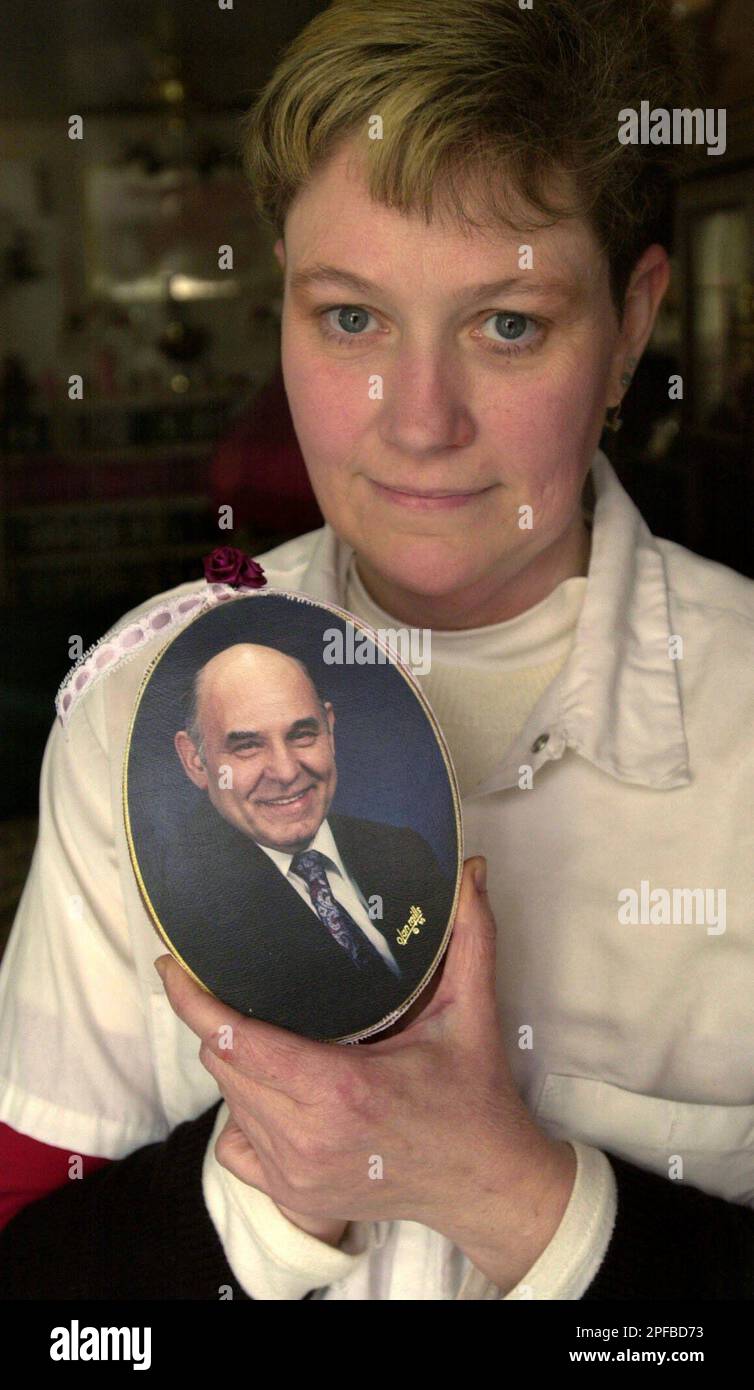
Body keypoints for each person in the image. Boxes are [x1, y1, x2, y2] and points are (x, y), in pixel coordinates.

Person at [1, 0, 753, 1300]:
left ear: (630, 326)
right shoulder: (137, 701)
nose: (417, 423)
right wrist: (274, 1186)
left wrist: (517, 1193)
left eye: (506, 323)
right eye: (350, 318)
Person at [156, 642, 451, 1037]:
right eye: (247, 746)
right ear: (195, 761)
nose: (285, 771)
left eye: (302, 735)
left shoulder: (404, 852)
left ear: (329, 730)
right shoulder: (193, 911)